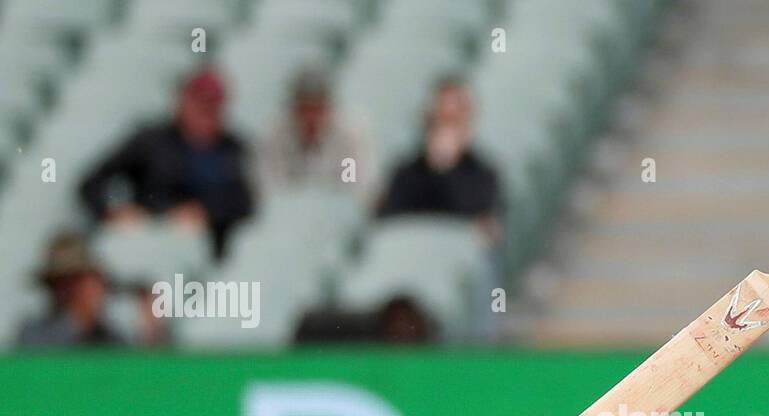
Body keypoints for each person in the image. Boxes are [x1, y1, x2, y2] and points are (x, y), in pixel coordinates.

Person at [78, 68, 254, 257]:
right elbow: (92, 182)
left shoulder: (234, 149)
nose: (205, 112)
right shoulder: (150, 141)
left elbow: (244, 201)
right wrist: (114, 211)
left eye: (212, 106)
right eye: (199, 102)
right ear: (183, 101)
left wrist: (206, 211)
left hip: (206, 254)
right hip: (146, 241)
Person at [376, 78, 500, 239]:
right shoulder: (404, 173)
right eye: (441, 118)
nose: (446, 129)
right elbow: (392, 223)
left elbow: (475, 223)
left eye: (454, 119)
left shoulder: (484, 175)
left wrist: (445, 167)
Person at [256, 69, 377, 201]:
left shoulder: (351, 133)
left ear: (329, 107)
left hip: (338, 212)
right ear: (293, 110)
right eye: (304, 109)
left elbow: (355, 182)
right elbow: (269, 186)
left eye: (317, 109)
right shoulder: (274, 133)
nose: (311, 118)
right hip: (291, 212)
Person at [18, 233, 125, 347]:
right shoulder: (33, 334)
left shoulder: (113, 337)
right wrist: (76, 322)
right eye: (66, 282)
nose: (85, 290)